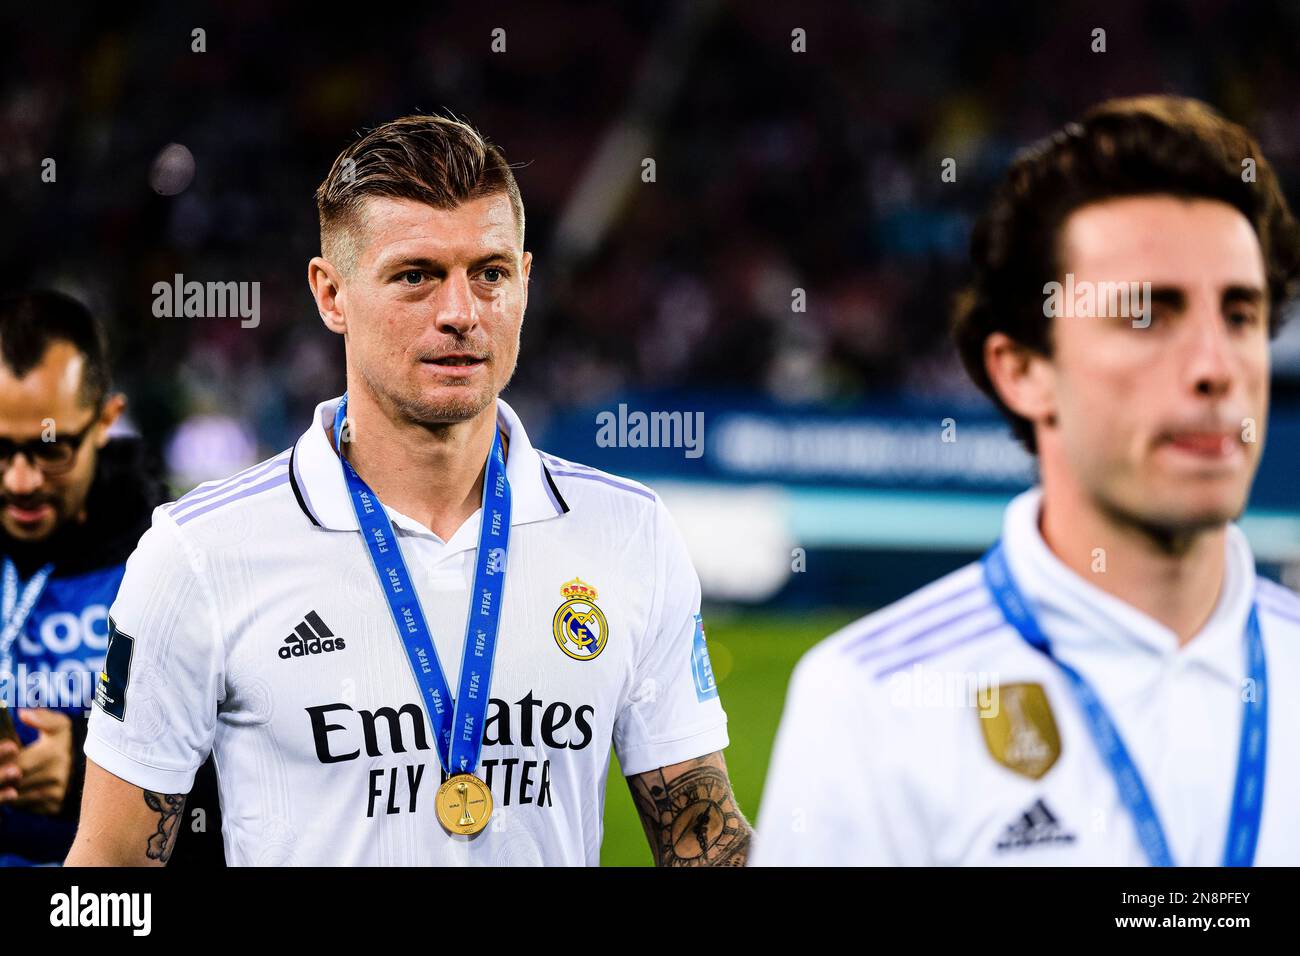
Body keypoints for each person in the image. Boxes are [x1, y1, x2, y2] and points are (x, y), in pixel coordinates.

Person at [68, 114, 750, 866]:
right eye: (416, 276)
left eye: (489, 274)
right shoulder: (197, 554)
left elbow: (702, 844)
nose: (460, 313)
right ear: (331, 295)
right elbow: (109, 875)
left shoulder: (629, 533)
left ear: (524, 282)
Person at [753, 96, 1300, 865]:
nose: (1216, 368)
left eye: (1240, 314)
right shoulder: (872, 701)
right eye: (1147, 314)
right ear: (1024, 372)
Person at [0, 290, 161, 865]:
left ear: (105, 422)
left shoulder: (166, 561)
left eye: (50, 450)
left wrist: (90, 779)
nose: (20, 482)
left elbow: (238, 786)